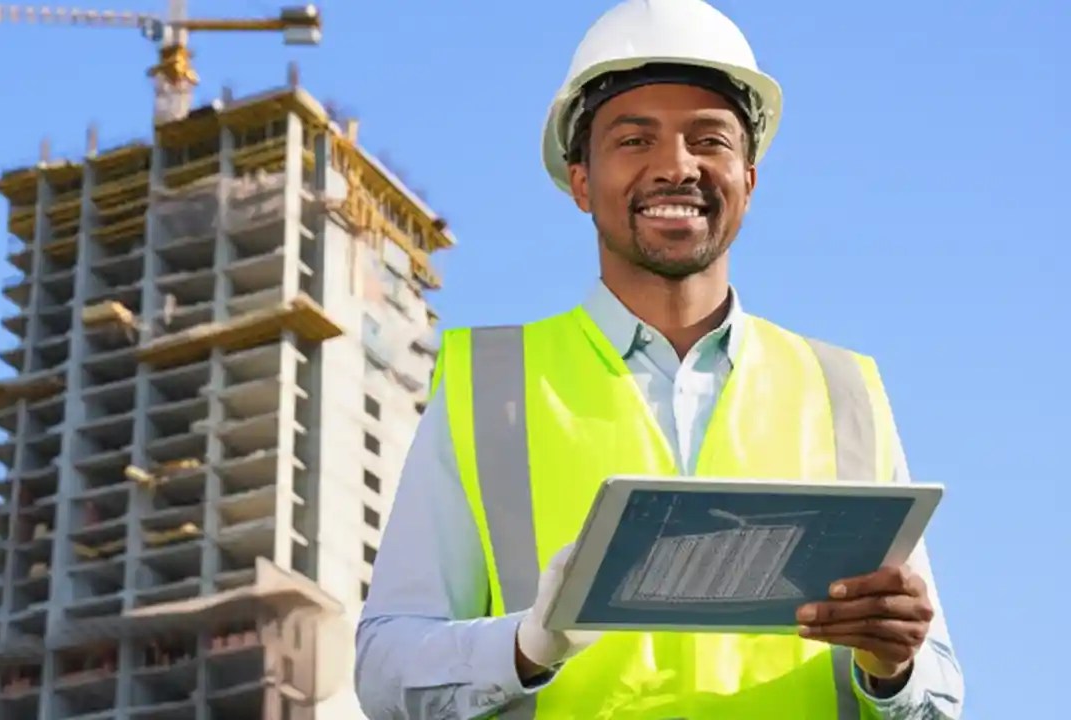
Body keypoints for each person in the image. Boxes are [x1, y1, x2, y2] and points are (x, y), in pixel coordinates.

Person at [352, 0, 966, 717]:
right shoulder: (490, 386)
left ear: (749, 180)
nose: (677, 167)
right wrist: (526, 645)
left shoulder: (843, 393)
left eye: (709, 140)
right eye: (634, 141)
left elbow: (939, 697)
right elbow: (384, 671)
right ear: (581, 181)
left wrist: (893, 668)